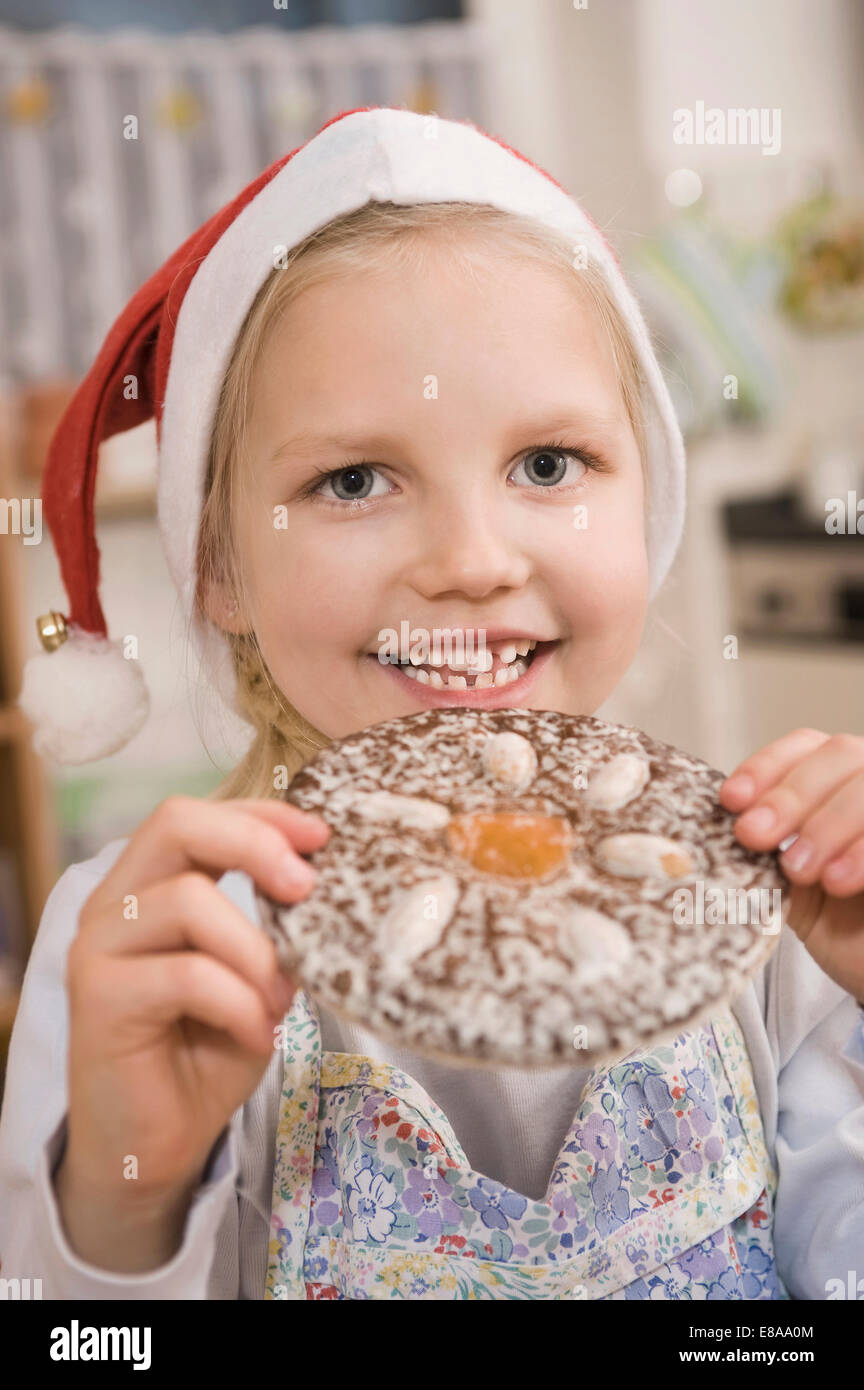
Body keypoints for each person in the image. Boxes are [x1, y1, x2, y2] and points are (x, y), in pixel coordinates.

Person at [1, 107, 862, 1300]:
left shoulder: (775, 915)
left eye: (549, 464)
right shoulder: (149, 943)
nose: (471, 559)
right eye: (354, 479)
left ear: (644, 504)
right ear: (220, 567)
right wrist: (124, 1192)